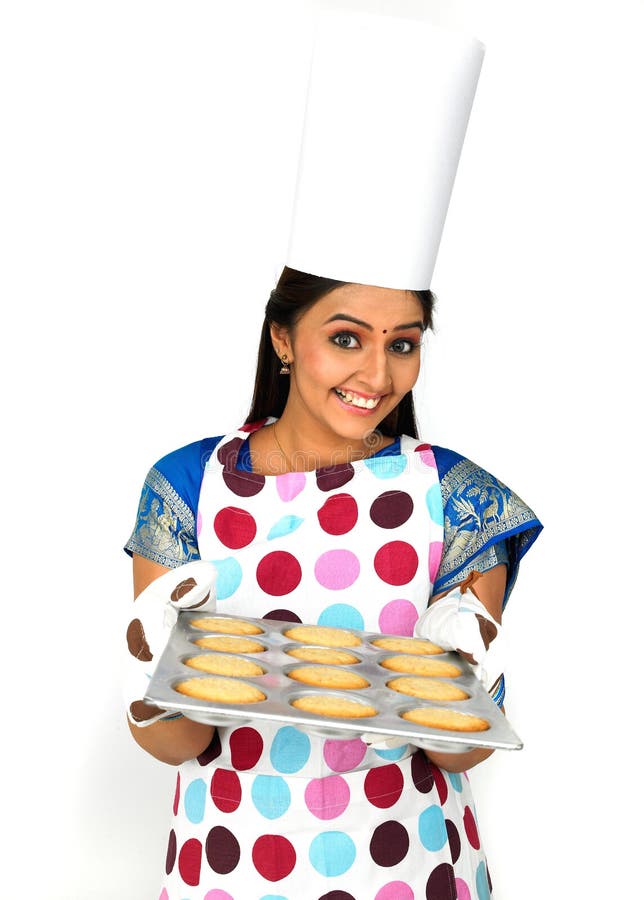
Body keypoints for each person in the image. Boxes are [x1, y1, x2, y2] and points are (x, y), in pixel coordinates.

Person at [123, 11, 542, 899]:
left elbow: (463, 749)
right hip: (232, 865)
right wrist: (157, 667)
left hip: (410, 864)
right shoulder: (187, 486)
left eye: (403, 342)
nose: (375, 372)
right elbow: (179, 747)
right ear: (284, 336)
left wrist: (459, 667)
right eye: (345, 337)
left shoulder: (460, 500)